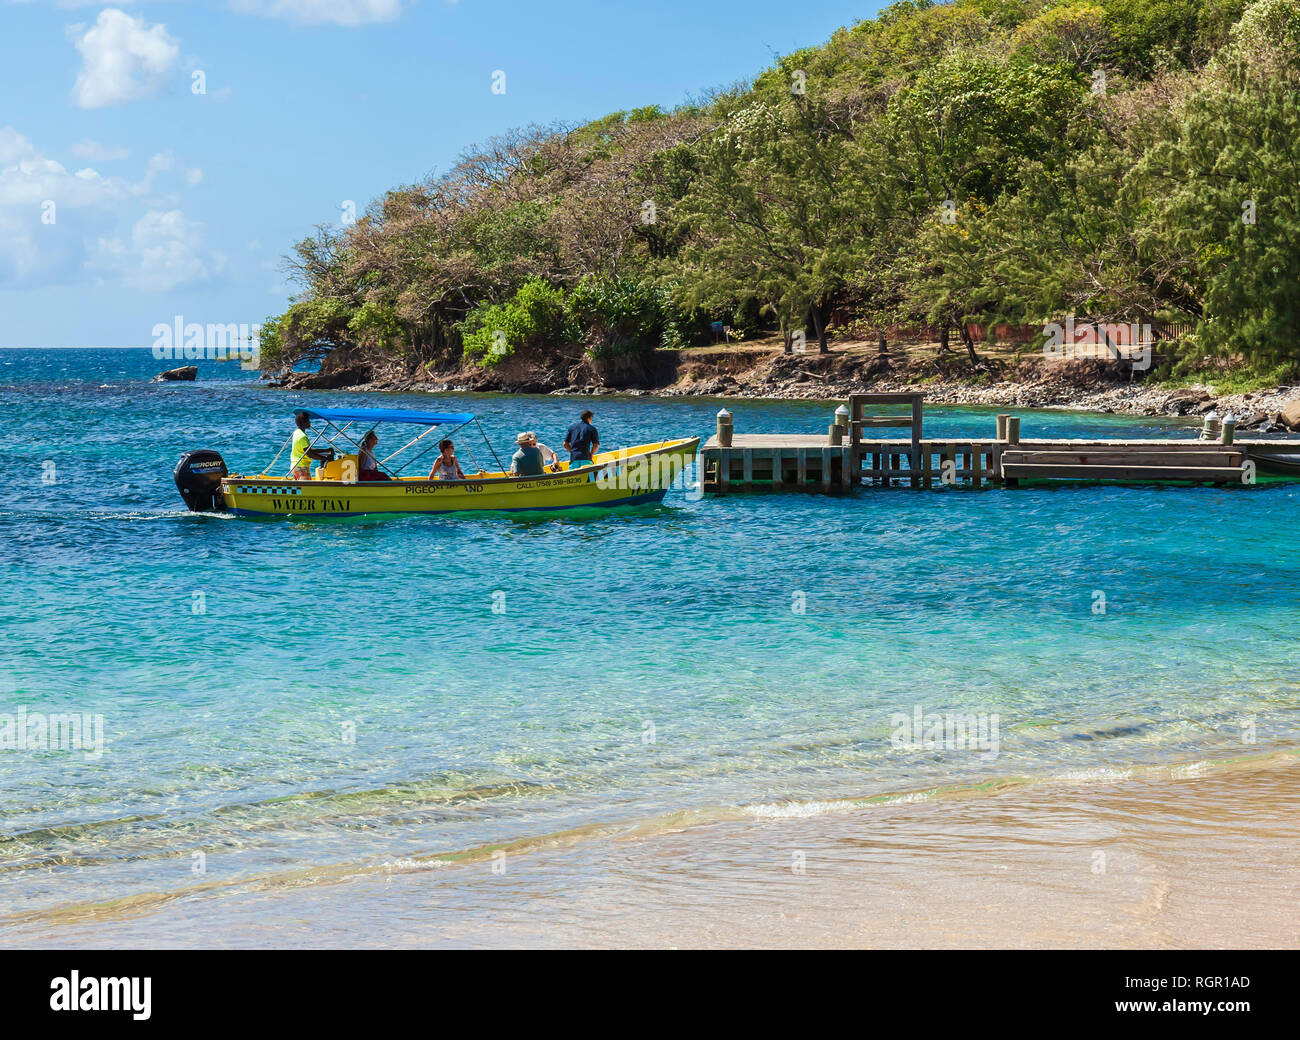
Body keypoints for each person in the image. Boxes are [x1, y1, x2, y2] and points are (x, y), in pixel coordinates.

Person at [289, 411, 334, 480]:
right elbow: (310, 454)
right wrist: (326, 459)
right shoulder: (303, 436)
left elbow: (307, 450)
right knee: (305, 489)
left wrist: (325, 450)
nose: (310, 422)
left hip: (295, 465)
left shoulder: (296, 432)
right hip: (301, 467)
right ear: (304, 423)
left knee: (299, 487)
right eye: (308, 421)